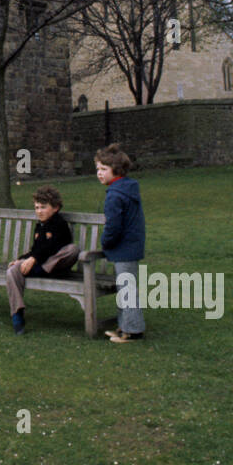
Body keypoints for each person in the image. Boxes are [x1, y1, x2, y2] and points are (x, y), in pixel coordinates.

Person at [5, 185, 80, 335]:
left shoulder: (60, 224)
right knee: (12, 271)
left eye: (43, 207)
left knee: (72, 249)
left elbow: (53, 247)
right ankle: (17, 313)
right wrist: (21, 259)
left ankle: (41, 269)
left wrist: (33, 259)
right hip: (41, 264)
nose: (39, 211)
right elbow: (36, 249)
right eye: (37, 207)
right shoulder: (40, 226)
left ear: (56, 208)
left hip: (56, 266)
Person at [96, 142, 146, 343]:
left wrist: (105, 242)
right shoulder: (126, 188)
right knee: (124, 287)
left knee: (127, 290)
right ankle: (124, 326)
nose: (99, 173)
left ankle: (132, 331)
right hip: (130, 247)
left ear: (116, 170)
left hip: (124, 248)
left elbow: (113, 227)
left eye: (103, 169)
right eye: (97, 169)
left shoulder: (115, 195)